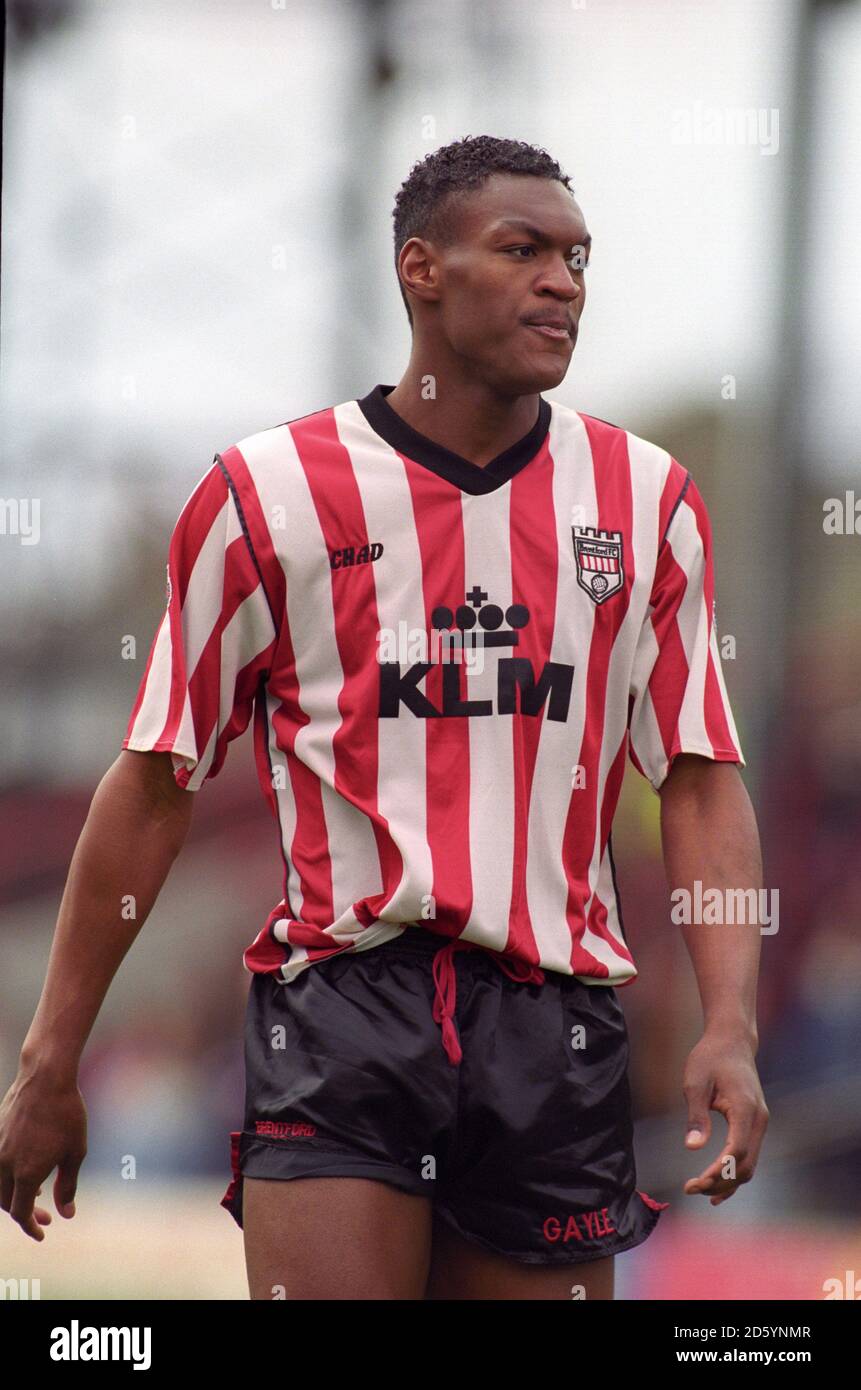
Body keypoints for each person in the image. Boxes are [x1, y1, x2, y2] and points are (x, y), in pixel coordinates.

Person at [0, 135, 769, 1301]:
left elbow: (703, 778)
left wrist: (731, 1024)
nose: (562, 280)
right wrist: (52, 1057)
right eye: (522, 250)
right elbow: (156, 781)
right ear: (421, 268)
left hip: (556, 1026)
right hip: (343, 1013)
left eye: (577, 257)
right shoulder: (264, 494)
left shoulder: (647, 500)